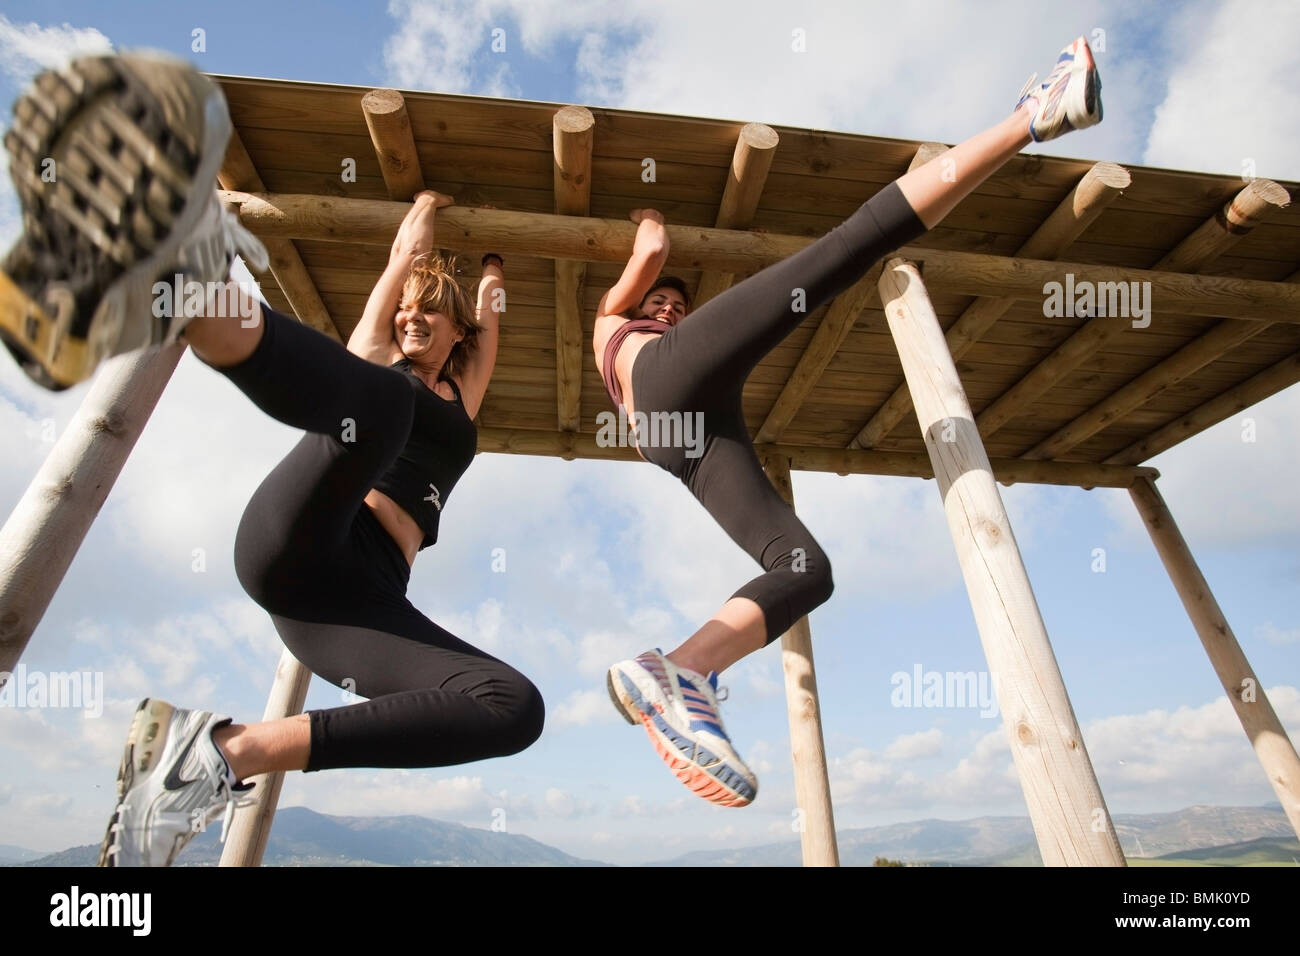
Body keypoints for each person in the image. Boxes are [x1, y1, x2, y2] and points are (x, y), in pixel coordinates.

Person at [0, 53, 543, 865]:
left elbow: (491, 323)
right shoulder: (379, 359)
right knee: (382, 399)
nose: (413, 321)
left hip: (348, 605)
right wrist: (427, 205)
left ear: (457, 332)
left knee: (513, 706)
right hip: (304, 535)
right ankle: (186, 284)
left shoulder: (466, 396)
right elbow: (401, 265)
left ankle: (218, 754)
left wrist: (495, 268)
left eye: (433, 314)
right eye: (407, 314)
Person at [600, 37, 1103, 806]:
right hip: (665, 391)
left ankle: (683, 669)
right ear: (639, 311)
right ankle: (1033, 117)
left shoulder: (663, 342)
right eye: (659, 303)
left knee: (806, 570)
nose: (669, 306)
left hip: (680, 439)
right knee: (847, 249)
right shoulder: (614, 321)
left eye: (679, 305)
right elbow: (657, 244)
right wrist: (644, 211)